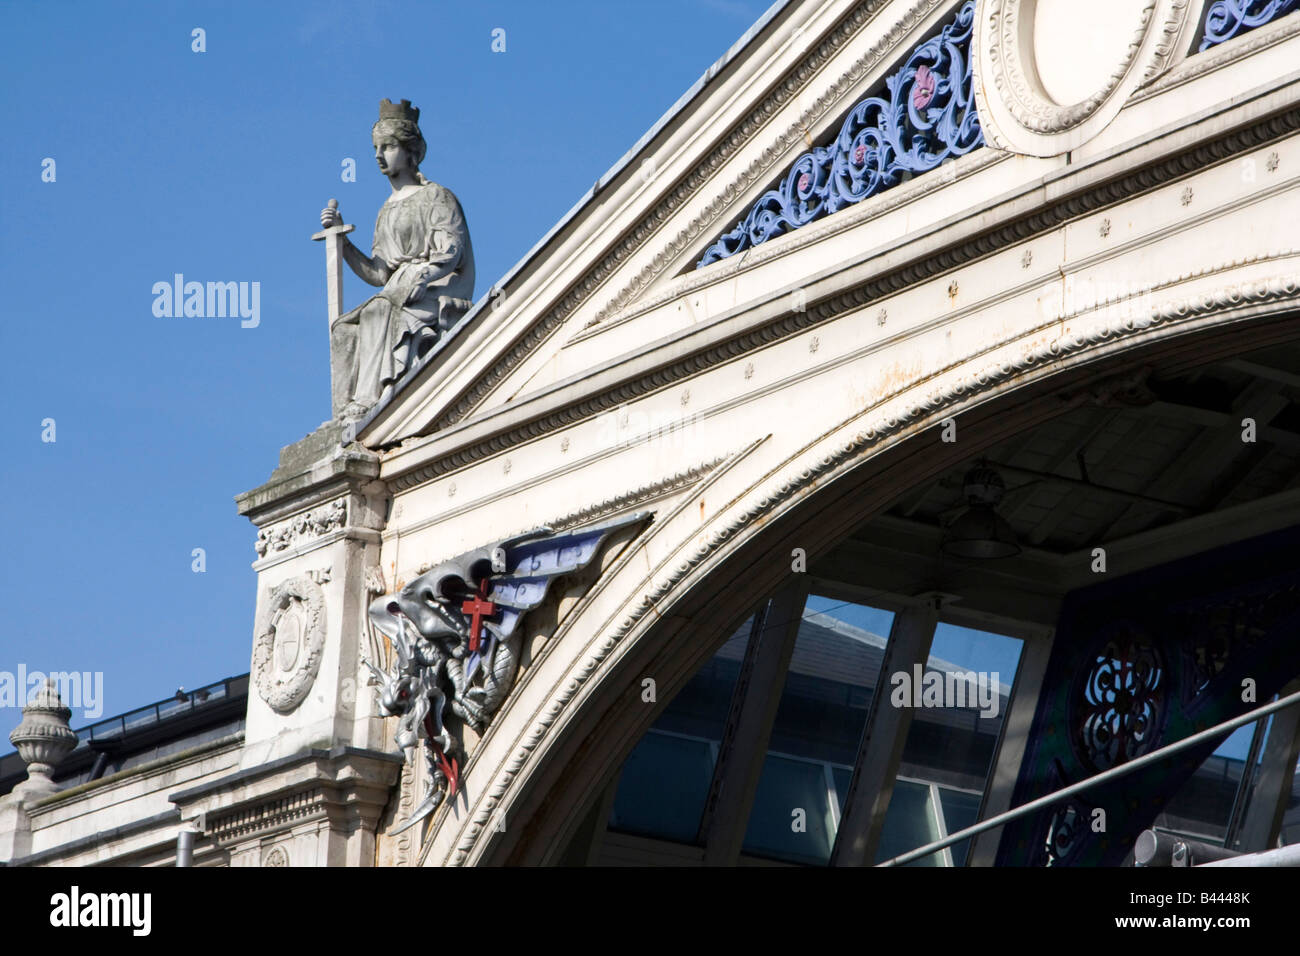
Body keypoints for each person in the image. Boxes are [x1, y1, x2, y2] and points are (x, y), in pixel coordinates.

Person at [320, 99, 475, 420]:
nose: (379, 155)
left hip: (435, 289)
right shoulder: (386, 210)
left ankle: (366, 400)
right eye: (376, 148)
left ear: (411, 151)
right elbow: (379, 274)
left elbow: (451, 251)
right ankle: (345, 418)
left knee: (377, 310)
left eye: (388, 147)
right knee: (343, 330)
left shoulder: (437, 197)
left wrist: (423, 276)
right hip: (397, 291)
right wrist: (342, 241)